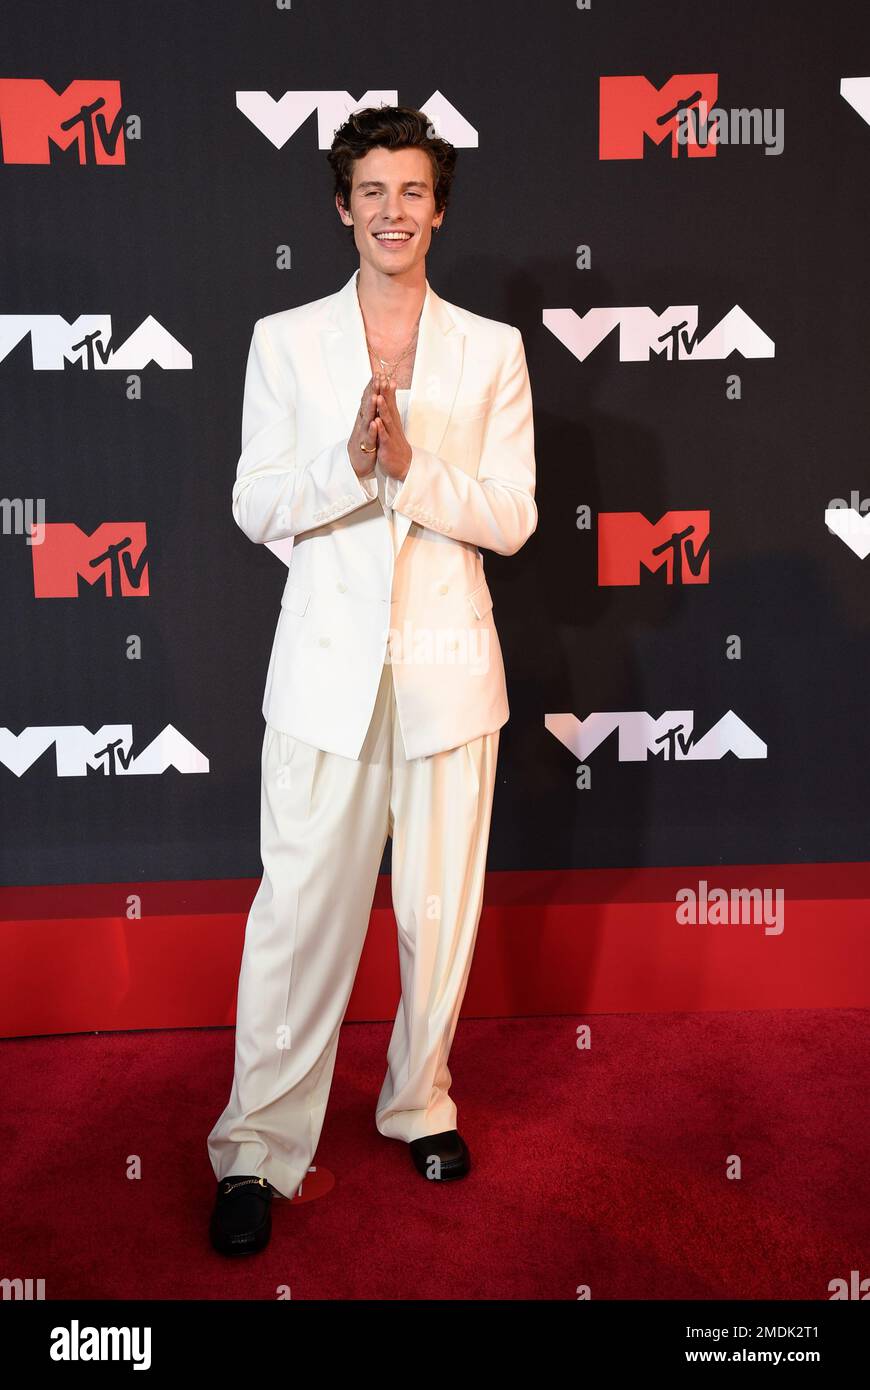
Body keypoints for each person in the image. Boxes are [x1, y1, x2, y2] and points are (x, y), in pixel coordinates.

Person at [207, 105, 537, 1256]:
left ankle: (418, 1102)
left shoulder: (491, 351)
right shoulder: (283, 341)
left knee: (436, 917)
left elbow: (514, 517)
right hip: (325, 677)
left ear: (439, 210)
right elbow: (254, 503)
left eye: (414, 192)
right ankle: (257, 1145)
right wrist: (348, 469)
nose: (393, 211)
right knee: (298, 917)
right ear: (341, 206)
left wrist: (416, 466)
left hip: (450, 675)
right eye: (372, 191)